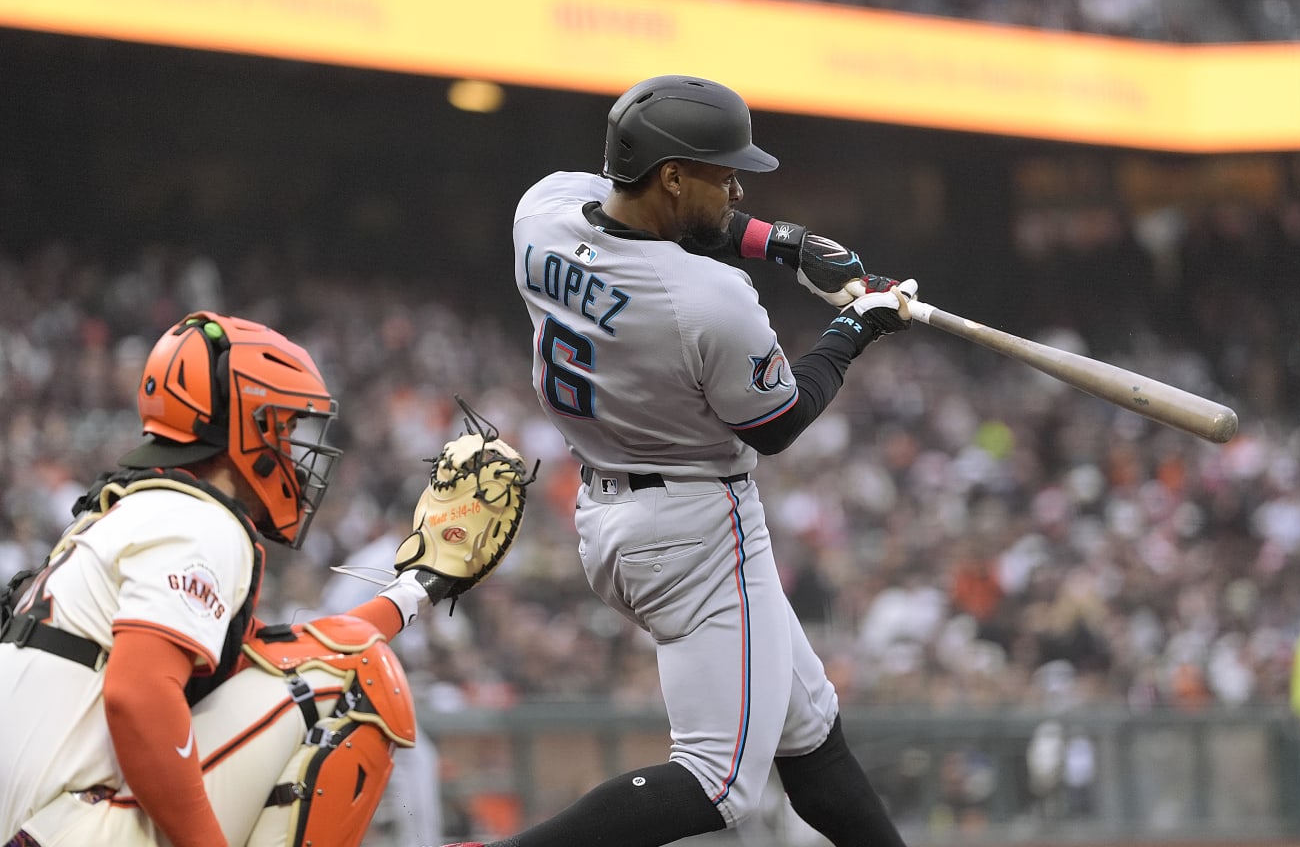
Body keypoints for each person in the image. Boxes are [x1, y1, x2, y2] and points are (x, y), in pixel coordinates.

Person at [448, 75, 917, 847]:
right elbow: (779, 422)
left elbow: (651, 217)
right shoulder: (707, 296)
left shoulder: (541, 211)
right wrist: (857, 325)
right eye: (722, 172)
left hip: (609, 511)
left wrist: (781, 242)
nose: (736, 186)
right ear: (671, 176)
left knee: (809, 727)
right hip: (698, 525)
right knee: (717, 782)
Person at [0, 311, 453, 847]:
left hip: (49, 823)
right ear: (246, 424)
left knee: (341, 660)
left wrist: (419, 587)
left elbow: (286, 654)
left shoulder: (138, 511)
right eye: (283, 426)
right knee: (361, 678)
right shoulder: (200, 520)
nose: (292, 450)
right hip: (62, 829)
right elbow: (139, 695)